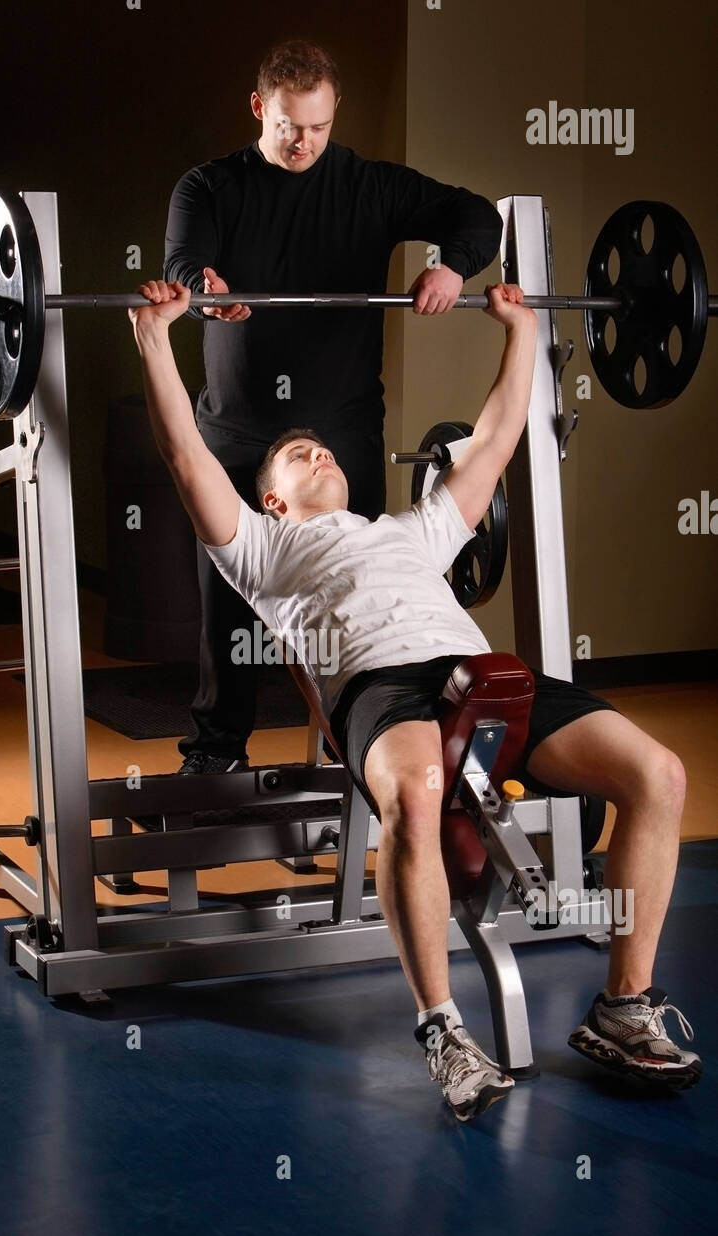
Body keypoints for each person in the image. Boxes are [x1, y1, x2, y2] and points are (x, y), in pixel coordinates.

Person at [127, 277, 702, 1124]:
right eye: (298, 455)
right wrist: (153, 338)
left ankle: (624, 1004)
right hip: (379, 688)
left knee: (659, 773)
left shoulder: (410, 532)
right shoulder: (260, 551)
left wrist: (520, 329)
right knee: (420, 792)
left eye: (324, 447)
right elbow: (185, 457)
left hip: (481, 678)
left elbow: (498, 440)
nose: (319, 452)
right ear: (272, 498)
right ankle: (442, 1029)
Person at [163, 38, 502, 775]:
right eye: (288, 125)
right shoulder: (209, 187)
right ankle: (216, 753)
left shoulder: (369, 186)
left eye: (317, 127)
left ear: (334, 112)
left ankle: (349, 752)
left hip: (340, 434)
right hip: (237, 425)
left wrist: (449, 264)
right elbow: (181, 264)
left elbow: (477, 216)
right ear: (260, 108)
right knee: (229, 611)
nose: (302, 142)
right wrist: (205, 290)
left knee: (353, 596)